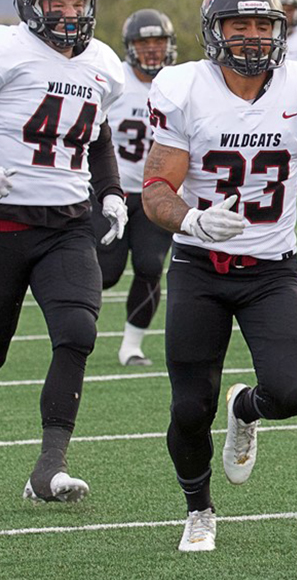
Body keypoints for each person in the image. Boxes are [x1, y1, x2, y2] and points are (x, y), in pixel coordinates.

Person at [141, 0, 297, 552]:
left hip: (272, 270)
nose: (251, 37)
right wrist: (193, 219)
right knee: (188, 407)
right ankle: (199, 509)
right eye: (238, 26)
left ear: (280, 30)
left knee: (293, 391)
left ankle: (244, 408)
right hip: (199, 268)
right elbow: (155, 191)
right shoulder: (185, 88)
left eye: (262, 25)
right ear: (214, 31)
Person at [0, 0, 126, 504]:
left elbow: (98, 135)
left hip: (69, 223)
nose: (70, 11)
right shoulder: (9, 49)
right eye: (59, 1)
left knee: (78, 331)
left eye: (78, 1)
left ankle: (49, 466)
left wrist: (112, 190)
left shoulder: (104, 63)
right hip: (4, 221)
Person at [93, 9, 177, 367]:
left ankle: (131, 346)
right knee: (106, 273)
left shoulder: (178, 83)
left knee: (149, 265)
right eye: (144, 42)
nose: (153, 49)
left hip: (155, 193)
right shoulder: (115, 78)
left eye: (159, 41)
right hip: (111, 189)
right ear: (130, 47)